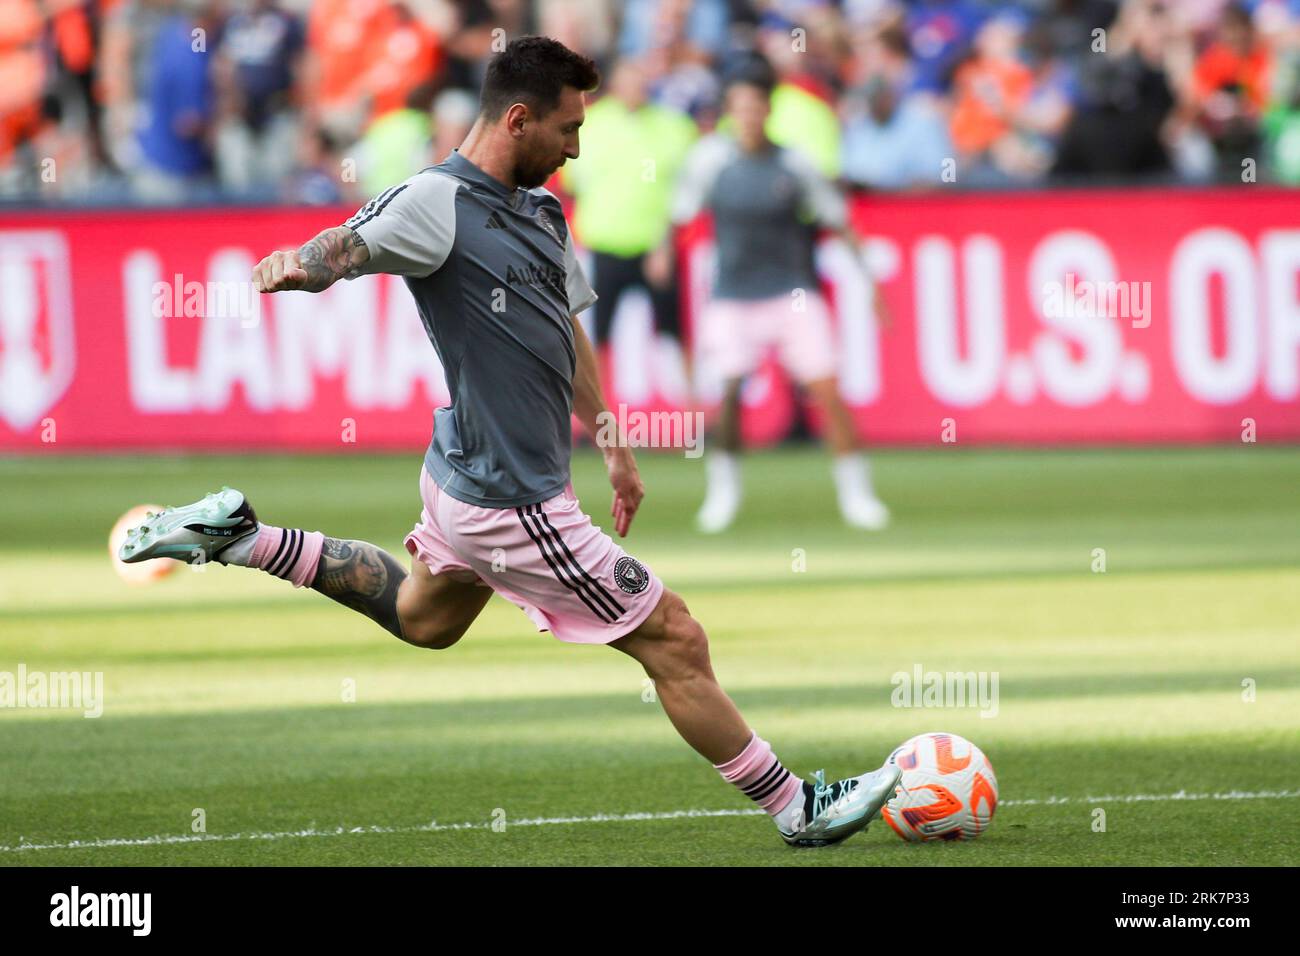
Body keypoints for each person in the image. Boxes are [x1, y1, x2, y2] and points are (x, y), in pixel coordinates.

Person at [118, 36, 901, 849]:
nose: (574, 148)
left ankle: (244, 537)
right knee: (673, 636)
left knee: (426, 618)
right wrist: (298, 263)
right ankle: (794, 808)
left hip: (464, 481)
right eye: (567, 129)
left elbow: (566, 324)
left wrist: (612, 438)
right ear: (518, 119)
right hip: (510, 501)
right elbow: (348, 243)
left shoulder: (541, 208)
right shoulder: (435, 202)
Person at [673, 58, 890, 534]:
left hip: (792, 293)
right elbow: (679, 215)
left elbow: (838, 219)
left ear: (767, 110)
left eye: (756, 106)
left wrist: (869, 283)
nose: (749, 116)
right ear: (730, 111)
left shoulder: (794, 162)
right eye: (740, 107)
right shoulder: (710, 160)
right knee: (727, 393)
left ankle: (857, 494)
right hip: (732, 295)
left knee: (828, 392)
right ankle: (723, 492)